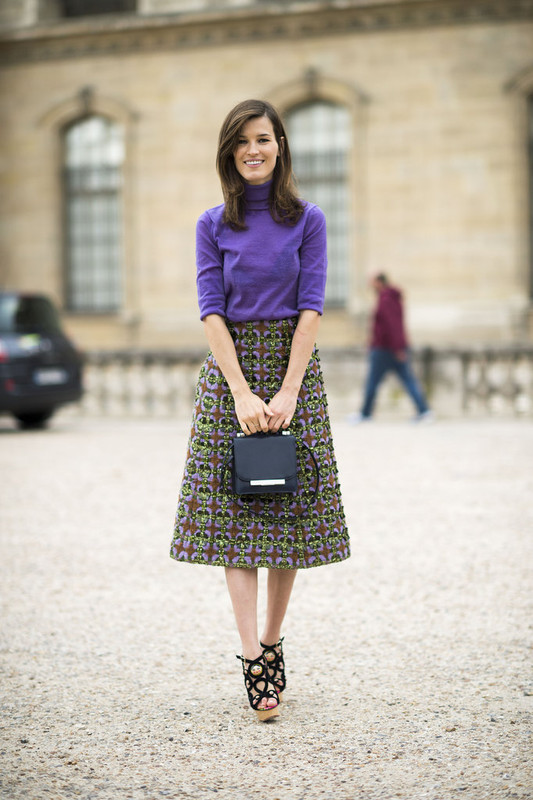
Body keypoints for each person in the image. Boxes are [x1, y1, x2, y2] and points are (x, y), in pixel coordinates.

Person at [169, 99, 350, 721]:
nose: (254, 149)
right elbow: (210, 310)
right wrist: (243, 391)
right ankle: (253, 659)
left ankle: (274, 638)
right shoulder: (211, 224)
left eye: (265, 139)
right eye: (243, 140)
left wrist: (288, 391)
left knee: (289, 520)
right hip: (231, 374)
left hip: (294, 369)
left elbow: (312, 306)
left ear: (280, 146)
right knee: (235, 522)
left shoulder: (309, 219)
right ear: (229, 150)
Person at [351, 273, 432, 423]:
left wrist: (397, 348)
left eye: (373, 282)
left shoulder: (386, 299)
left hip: (385, 349)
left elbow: (392, 326)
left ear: (380, 282)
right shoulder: (389, 298)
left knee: (373, 382)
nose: (370, 285)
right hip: (391, 348)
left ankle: (365, 414)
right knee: (407, 380)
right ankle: (424, 411)